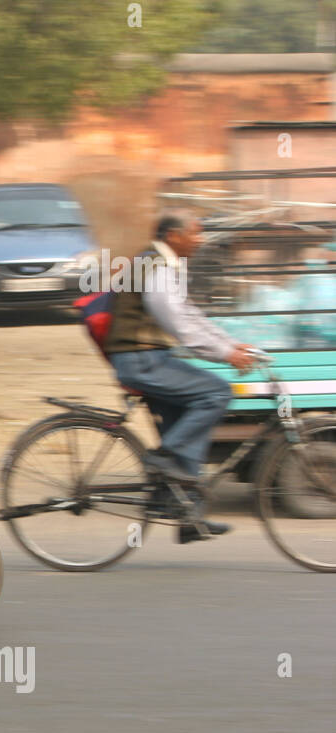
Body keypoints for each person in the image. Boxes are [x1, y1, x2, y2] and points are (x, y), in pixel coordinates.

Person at [104, 211, 255, 543]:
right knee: (215, 393)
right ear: (173, 236)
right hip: (140, 359)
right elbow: (179, 324)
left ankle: (186, 514)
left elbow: (189, 313)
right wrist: (225, 354)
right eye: (194, 233)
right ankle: (163, 459)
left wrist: (229, 344)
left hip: (150, 356)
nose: (200, 239)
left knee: (187, 422)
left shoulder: (167, 264)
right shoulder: (154, 266)